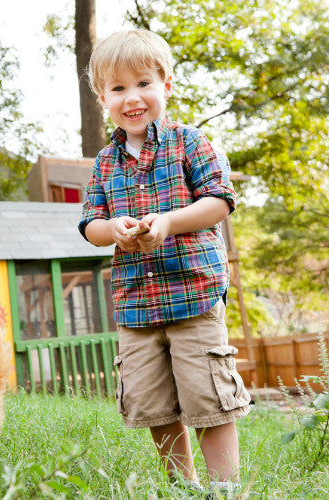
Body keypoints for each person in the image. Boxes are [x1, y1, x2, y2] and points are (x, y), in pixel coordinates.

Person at [78, 29, 251, 493]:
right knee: (155, 402)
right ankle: (184, 486)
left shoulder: (191, 142)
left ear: (166, 86)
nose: (131, 98)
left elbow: (219, 201)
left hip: (193, 294)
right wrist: (112, 229)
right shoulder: (103, 164)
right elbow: (91, 226)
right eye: (117, 88)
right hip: (137, 305)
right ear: (103, 98)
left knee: (208, 396)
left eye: (143, 84)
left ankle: (224, 489)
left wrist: (169, 223)